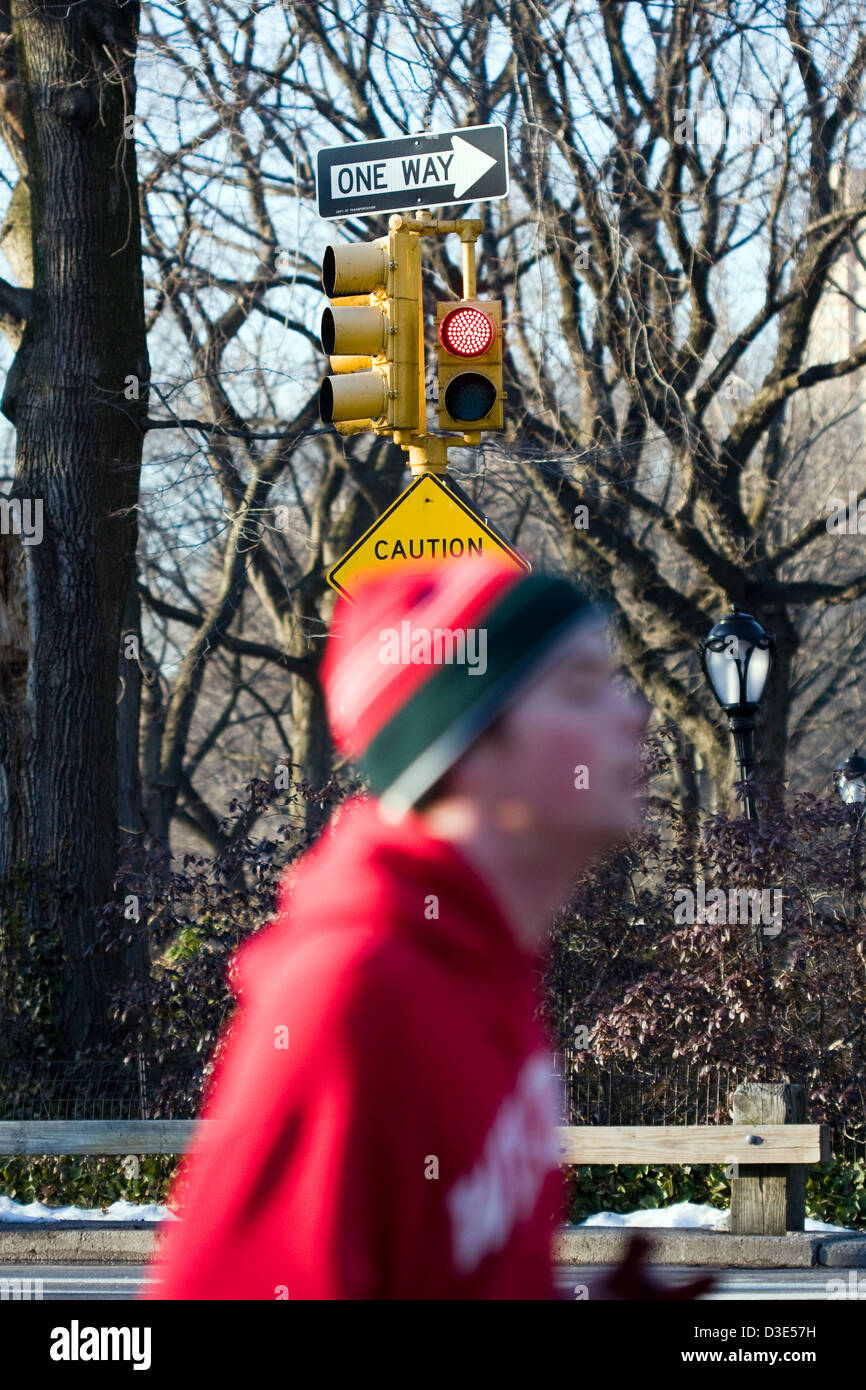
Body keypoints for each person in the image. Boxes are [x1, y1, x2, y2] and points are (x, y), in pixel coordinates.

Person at [142, 556, 712, 1300]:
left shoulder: (487, 968)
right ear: (467, 750)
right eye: (580, 688)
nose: (633, 714)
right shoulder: (354, 995)